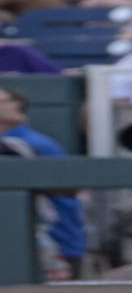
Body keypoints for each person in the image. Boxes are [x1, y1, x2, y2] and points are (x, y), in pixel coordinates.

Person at [0, 86, 87, 279]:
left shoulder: (31, 143)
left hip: (53, 243)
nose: (17, 104)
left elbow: (70, 190)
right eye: (6, 101)